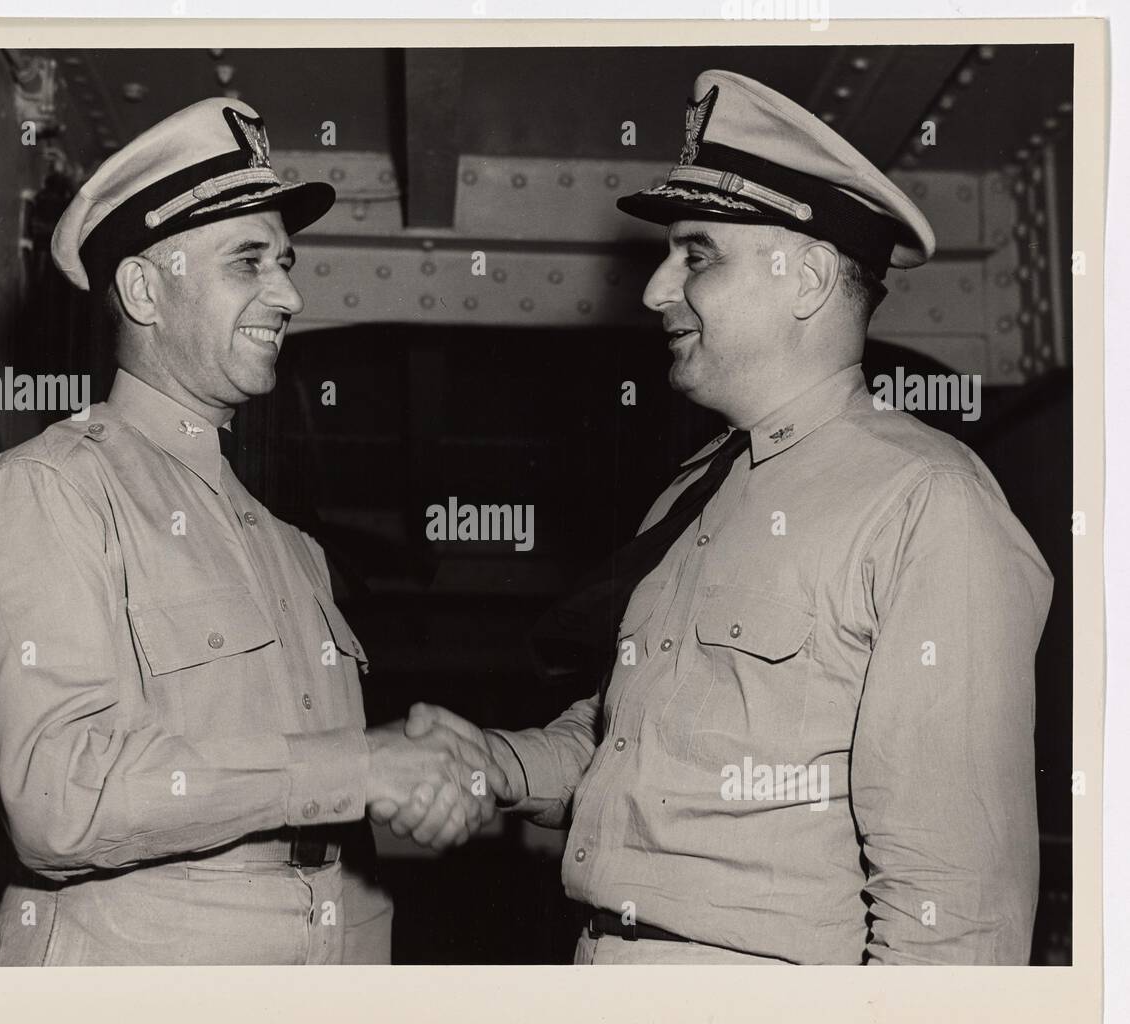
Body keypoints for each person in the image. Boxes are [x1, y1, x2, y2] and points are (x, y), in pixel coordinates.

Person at [399, 70, 1054, 965]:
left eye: (697, 253)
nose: (656, 288)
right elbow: (628, 748)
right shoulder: (696, 488)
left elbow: (958, 918)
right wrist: (494, 762)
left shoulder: (929, 503)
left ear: (809, 278)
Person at [0, 97, 506, 966]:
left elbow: (306, 817)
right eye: (249, 262)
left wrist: (428, 778)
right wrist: (360, 766)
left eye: (285, 261)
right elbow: (59, 796)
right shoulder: (47, 491)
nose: (290, 292)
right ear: (142, 288)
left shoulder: (291, 548)